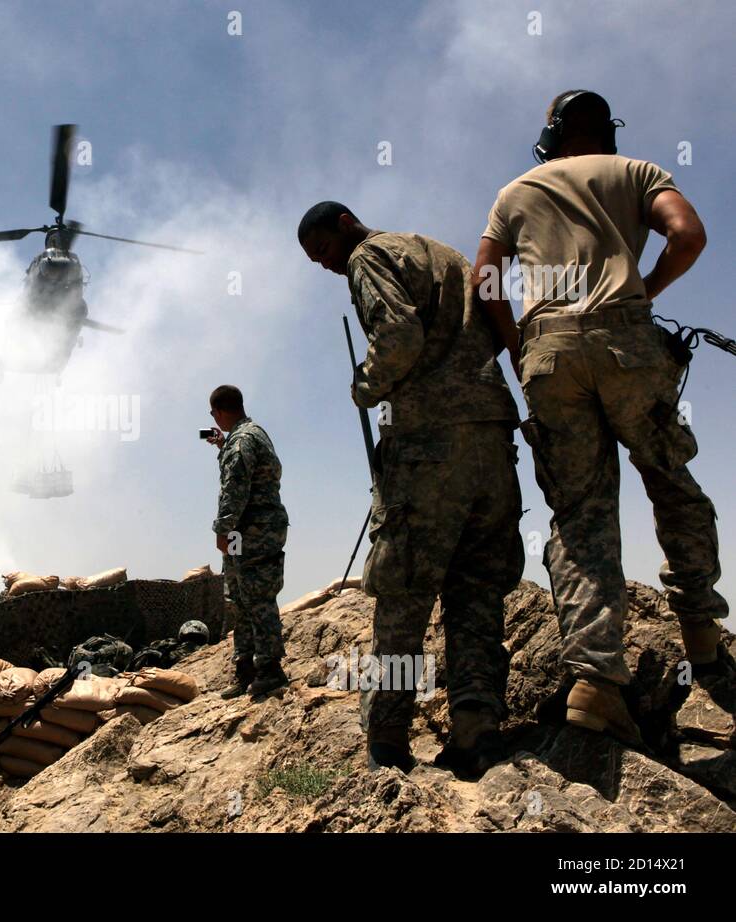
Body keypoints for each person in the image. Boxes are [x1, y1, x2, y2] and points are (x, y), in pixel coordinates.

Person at [472, 90, 727, 745]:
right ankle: (702, 638)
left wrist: (520, 345)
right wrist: (644, 290)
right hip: (627, 343)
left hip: (549, 351)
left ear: (548, 138)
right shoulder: (638, 173)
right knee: (672, 484)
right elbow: (689, 235)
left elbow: (485, 284)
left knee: (581, 519)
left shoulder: (514, 191)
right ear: (606, 133)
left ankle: (594, 684)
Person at [299, 202, 523, 774]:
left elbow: (397, 333)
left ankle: (389, 738)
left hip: (428, 447)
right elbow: (492, 328)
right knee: (475, 591)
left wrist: (366, 386)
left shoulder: (368, 256)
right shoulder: (442, 254)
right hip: (492, 439)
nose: (326, 266)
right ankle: (476, 726)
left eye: (324, 250)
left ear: (346, 223)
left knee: (403, 593)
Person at [206, 385, 290, 699]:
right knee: (239, 599)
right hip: (247, 531)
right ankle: (245, 669)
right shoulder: (246, 436)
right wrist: (221, 447)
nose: (213, 419)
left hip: (253, 530)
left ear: (221, 410)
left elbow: (236, 486)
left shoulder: (242, 440)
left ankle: (269, 670)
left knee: (257, 596)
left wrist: (222, 527)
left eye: (213, 413)